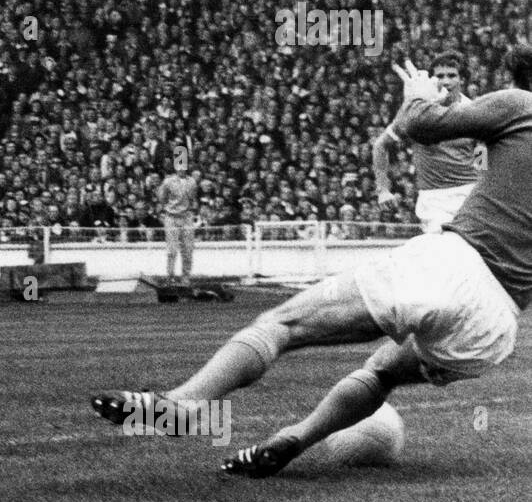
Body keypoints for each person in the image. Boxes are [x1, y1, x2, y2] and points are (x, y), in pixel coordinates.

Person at [91, 47, 532, 478]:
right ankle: (294, 439)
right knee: (381, 372)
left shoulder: (520, 105)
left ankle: (184, 405)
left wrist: (417, 92)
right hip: (495, 327)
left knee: (280, 325)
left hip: (456, 265)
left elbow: (419, 125)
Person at [372, 50, 482, 232]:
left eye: (452, 75)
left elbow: (481, 149)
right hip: (433, 200)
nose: (446, 81)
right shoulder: (416, 112)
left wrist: (481, 180)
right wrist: (383, 190)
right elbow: (380, 145)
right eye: (440, 76)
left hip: (469, 193)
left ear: (462, 79)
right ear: (432, 79)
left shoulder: (473, 111)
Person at [157, 153, 198, 285]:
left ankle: (186, 277)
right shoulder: (168, 181)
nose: (181, 169)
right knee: (172, 250)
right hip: (171, 217)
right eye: (179, 166)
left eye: (183, 166)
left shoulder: (192, 182)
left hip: (186, 217)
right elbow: (161, 198)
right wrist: (169, 209)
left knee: (188, 249)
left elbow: (192, 199)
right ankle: (170, 276)